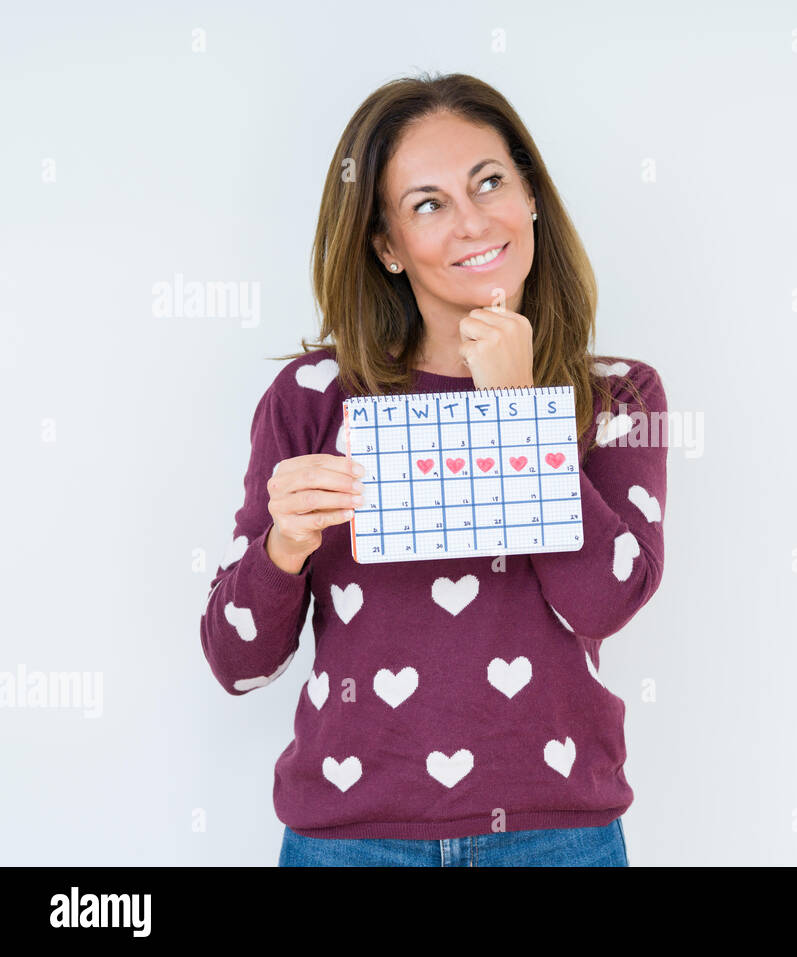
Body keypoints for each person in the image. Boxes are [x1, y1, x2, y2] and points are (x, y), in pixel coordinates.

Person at [198, 72, 668, 867]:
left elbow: (606, 600)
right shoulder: (312, 400)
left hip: (557, 835)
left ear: (532, 199)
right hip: (351, 840)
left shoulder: (617, 395)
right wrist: (282, 548)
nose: (473, 220)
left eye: (490, 182)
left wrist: (520, 410)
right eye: (427, 203)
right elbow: (236, 664)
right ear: (386, 246)